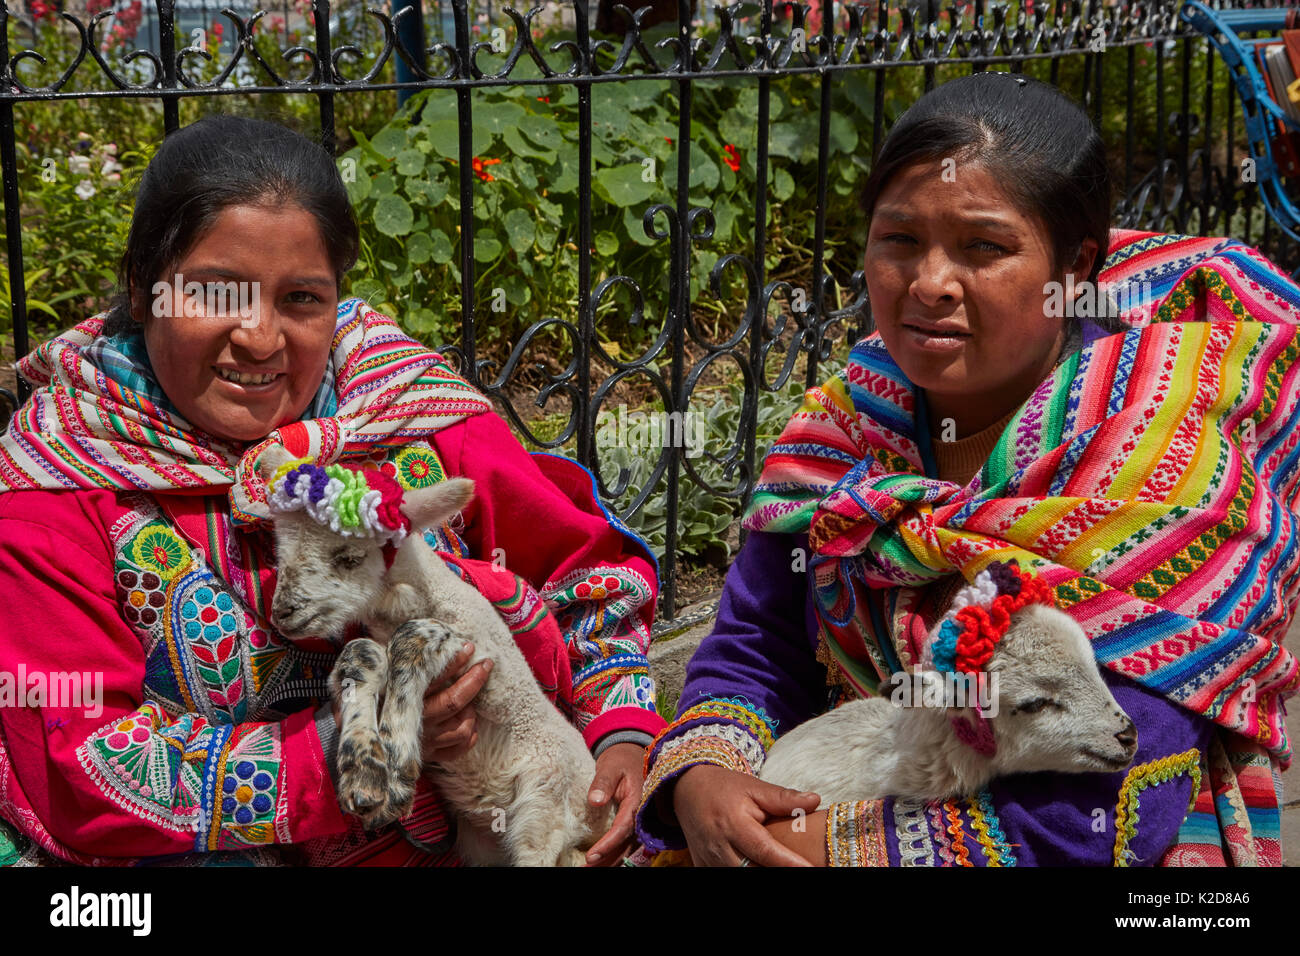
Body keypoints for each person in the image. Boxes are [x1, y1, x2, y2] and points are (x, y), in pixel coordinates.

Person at [635, 71, 1300, 866]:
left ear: (1073, 267)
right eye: (899, 240)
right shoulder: (845, 433)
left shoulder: (1163, 467)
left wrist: (804, 845)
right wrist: (705, 776)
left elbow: (1107, 801)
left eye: (984, 247)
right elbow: (758, 643)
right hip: (852, 791)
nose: (929, 284)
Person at [0, 114, 663, 866]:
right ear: (143, 288)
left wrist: (623, 729)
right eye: (216, 294)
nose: (258, 337)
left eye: (303, 299)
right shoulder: (60, 486)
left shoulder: (403, 409)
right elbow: (84, 766)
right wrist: (349, 756)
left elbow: (583, 571)